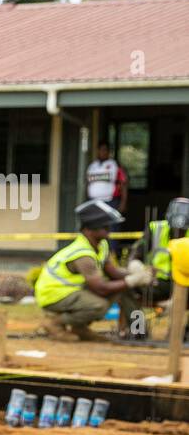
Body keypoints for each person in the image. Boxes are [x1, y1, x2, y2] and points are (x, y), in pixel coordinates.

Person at [34, 199, 151, 341]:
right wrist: (132, 280)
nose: (109, 229)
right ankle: (56, 323)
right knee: (98, 306)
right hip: (53, 294)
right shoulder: (82, 254)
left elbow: (113, 273)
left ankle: (137, 330)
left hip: (72, 291)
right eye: (104, 227)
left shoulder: (101, 246)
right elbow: (101, 288)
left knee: (123, 289)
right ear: (89, 230)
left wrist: (137, 274)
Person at [121, 197, 189, 339]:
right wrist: (140, 270)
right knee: (125, 288)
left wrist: (177, 299)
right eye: (174, 229)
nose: (178, 233)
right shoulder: (156, 229)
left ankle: (184, 334)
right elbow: (134, 255)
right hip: (156, 283)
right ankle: (139, 330)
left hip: (184, 284)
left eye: (182, 230)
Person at [86, 141, 128, 218]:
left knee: (111, 227)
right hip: (94, 202)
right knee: (96, 227)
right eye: (101, 150)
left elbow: (123, 184)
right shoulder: (92, 166)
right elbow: (87, 183)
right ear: (98, 151)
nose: (103, 152)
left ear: (109, 151)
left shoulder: (115, 165)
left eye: (105, 150)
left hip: (111, 202)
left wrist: (123, 203)